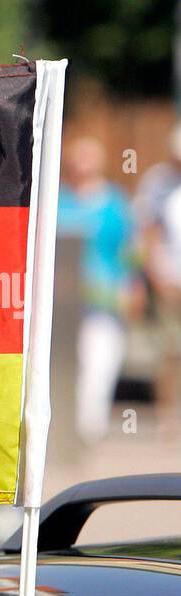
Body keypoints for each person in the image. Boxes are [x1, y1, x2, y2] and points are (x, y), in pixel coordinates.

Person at [57, 137, 136, 444]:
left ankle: (89, 428)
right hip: (63, 300)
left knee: (99, 361)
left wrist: (133, 285)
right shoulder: (58, 200)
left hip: (104, 298)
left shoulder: (115, 204)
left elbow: (129, 250)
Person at [134, 125, 181, 435]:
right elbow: (148, 234)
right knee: (171, 351)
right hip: (169, 280)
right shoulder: (158, 183)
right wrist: (155, 278)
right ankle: (170, 417)